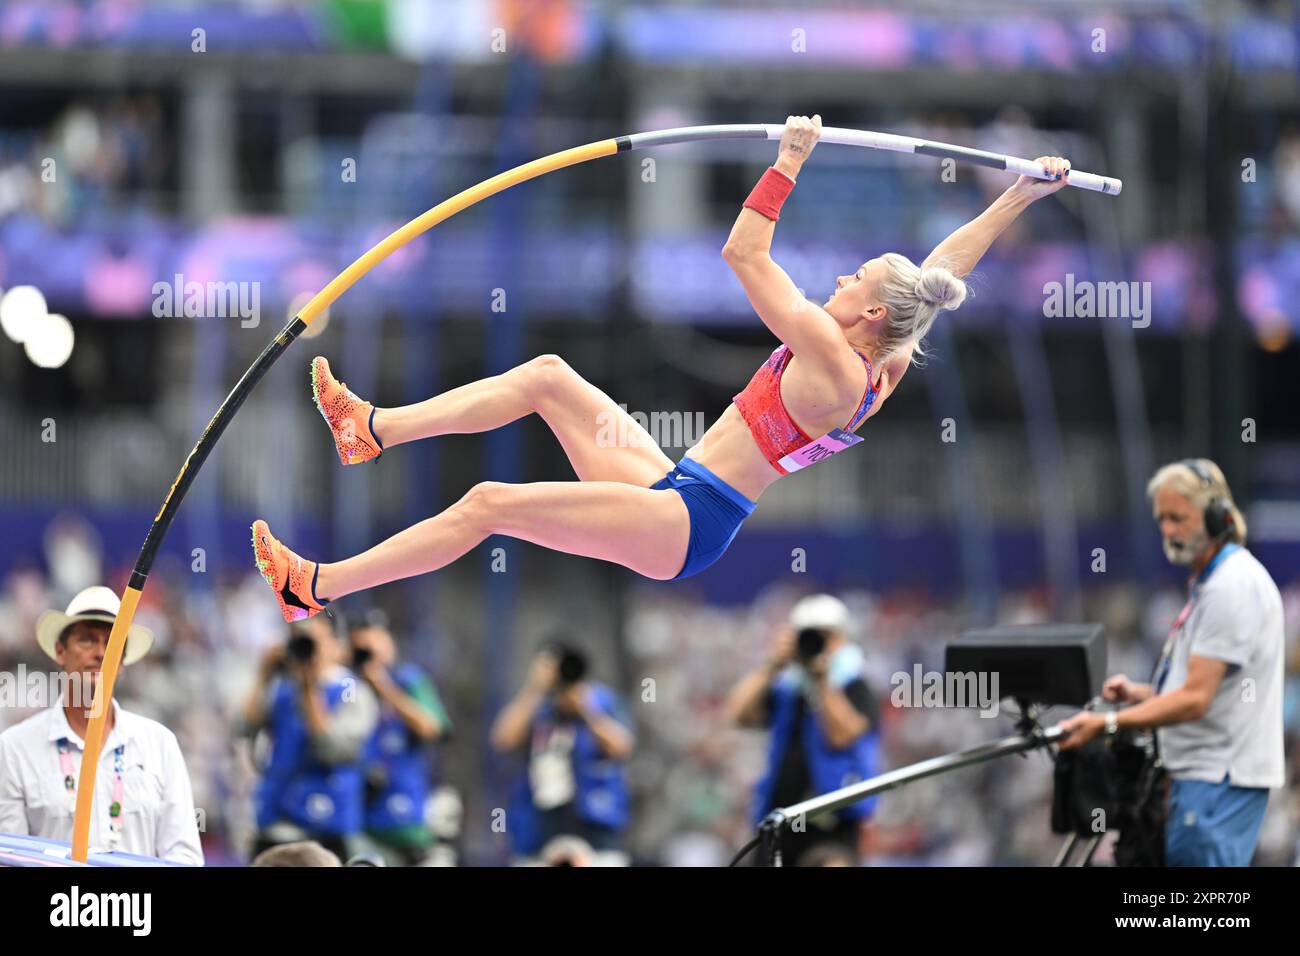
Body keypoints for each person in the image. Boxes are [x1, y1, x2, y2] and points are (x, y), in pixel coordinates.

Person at [246, 115, 1074, 621]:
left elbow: (743, 251)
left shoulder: (835, 359)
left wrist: (789, 159)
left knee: (489, 504)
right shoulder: (881, 354)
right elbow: (939, 274)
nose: (837, 282)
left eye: (850, 279)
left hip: (689, 522)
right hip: (678, 487)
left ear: (864, 314)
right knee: (546, 375)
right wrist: (1018, 195)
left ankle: (317, 585)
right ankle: (372, 430)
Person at [1059, 459, 1285, 867]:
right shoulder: (1216, 583)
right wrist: (1140, 696)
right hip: (1207, 779)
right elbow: (1209, 692)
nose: (1167, 530)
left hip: (1217, 781)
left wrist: (1106, 723)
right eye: (1161, 519)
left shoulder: (1231, 587)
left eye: (1178, 518)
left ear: (1217, 517)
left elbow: (1195, 700)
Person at [0, 586, 204, 864]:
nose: (100, 653)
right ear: (61, 651)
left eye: (112, 643)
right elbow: (10, 856)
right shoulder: (15, 749)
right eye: (87, 640)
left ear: (122, 661)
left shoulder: (159, 744)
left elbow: (184, 856)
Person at [726, 594, 881, 866]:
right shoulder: (788, 690)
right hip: (781, 820)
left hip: (832, 824)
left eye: (826, 636)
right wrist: (773, 664)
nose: (818, 644)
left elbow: (842, 735)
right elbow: (738, 713)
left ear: (844, 639)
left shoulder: (856, 687)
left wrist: (822, 681)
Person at [237, 614, 378, 862]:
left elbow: (331, 749)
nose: (307, 651)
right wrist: (263, 676)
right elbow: (242, 728)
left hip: (328, 822)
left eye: (314, 642)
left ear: (337, 645)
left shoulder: (351, 690)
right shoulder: (281, 688)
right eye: (300, 642)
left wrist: (309, 689)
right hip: (277, 817)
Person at [490, 643, 634, 862]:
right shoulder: (536, 706)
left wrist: (586, 711)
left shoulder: (601, 700)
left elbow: (622, 747)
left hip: (595, 827)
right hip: (537, 829)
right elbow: (503, 740)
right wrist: (534, 689)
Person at [349, 615, 452, 865]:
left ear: (390, 645)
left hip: (406, 813)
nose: (372, 657)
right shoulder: (346, 684)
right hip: (357, 817)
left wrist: (384, 687)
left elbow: (432, 728)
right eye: (363, 650)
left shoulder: (408, 680)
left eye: (378, 645)